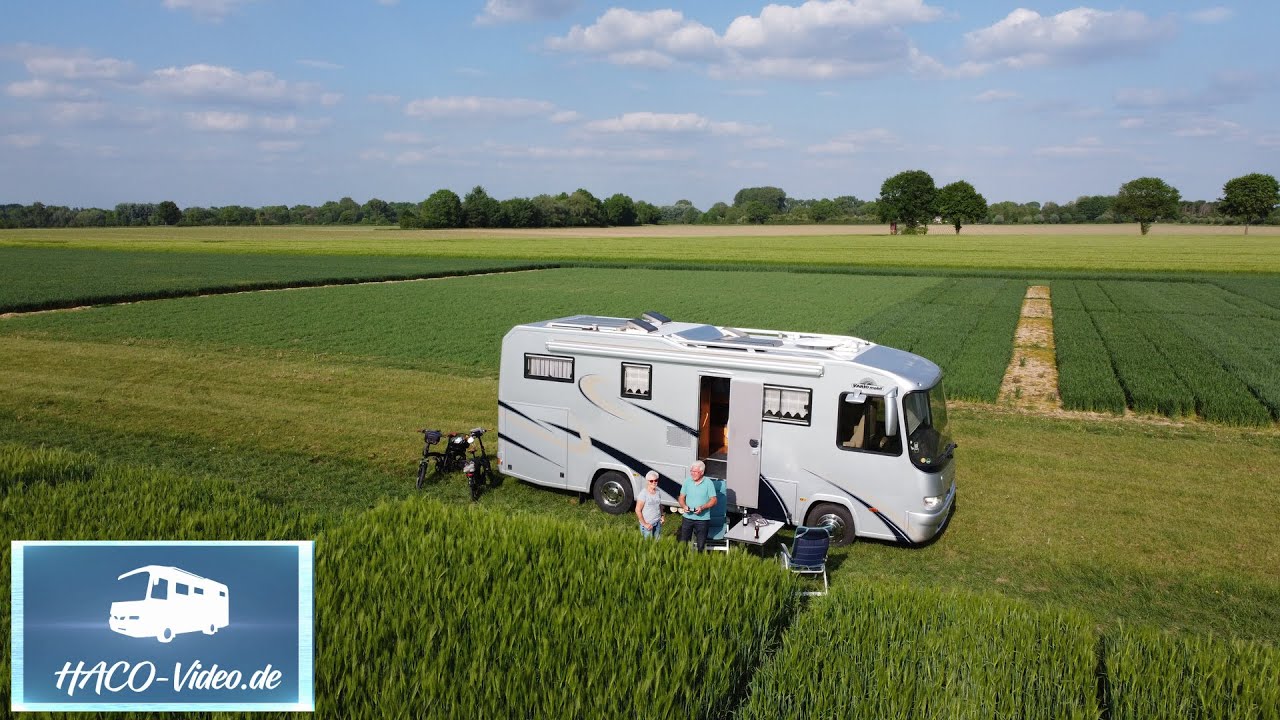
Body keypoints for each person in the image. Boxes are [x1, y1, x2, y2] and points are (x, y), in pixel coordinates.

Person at [678, 461, 717, 551]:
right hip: (687, 517)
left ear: (702, 472)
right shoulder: (687, 481)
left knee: (701, 545)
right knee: (683, 543)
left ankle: (698, 561)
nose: (692, 473)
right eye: (691, 471)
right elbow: (681, 497)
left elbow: (714, 500)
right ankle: (683, 561)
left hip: (702, 520)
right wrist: (684, 506)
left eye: (695, 472)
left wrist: (702, 507)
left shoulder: (709, 483)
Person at [635, 471, 664, 540]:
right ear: (647, 481)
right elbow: (637, 510)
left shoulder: (658, 492)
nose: (654, 482)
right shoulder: (643, 494)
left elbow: (659, 505)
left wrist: (662, 516)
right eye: (651, 481)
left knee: (657, 544)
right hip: (648, 525)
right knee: (647, 546)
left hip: (657, 523)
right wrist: (645, 524)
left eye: (656, 480)